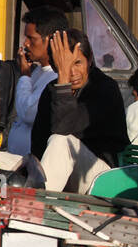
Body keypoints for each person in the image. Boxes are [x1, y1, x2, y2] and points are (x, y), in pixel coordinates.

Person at [30, 29, 128, 193]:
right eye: (66, 65)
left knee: (61, 141)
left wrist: (63, 82)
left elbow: (63, 128)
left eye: (77, 63)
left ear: (89, 60)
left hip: (101, 177)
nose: (72, 73)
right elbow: (38, 143)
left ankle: (35, 206)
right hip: (61, 174)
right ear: (55, 66)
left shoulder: (105, 88)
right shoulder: (50, 91)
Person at [4, 6, 67, 157]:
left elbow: (28, 112)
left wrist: (25, 75)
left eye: (31, 39)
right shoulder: (39, 71)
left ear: (52, 39)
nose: (25, 44)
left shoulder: (56, 77)